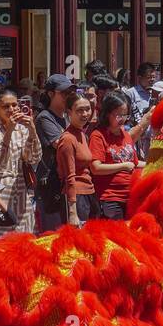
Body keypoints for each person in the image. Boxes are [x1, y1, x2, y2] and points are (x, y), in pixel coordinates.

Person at [0, 89, 42, 234]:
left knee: (24, 240)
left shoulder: (23, 128)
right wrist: (9, 131)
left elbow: (33, 158)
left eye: (14, 105)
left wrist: (32, 131)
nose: (11, 109)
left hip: (21, 191)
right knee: (2, 240)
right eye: (6, 106)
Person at [89, 90, 146, 221]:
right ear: (107, 114)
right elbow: (95, 168)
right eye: (118, 115)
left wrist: (154, 164)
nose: (122, 119)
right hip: (110, 198)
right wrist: (123, 166)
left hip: (130, 197)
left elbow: (135, 163)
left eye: (125, 115)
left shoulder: (125, 134)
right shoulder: (98, 136)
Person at [33, 73, 74, 231]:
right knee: (53, 236)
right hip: (51, 186)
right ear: (50, 94)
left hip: (66, 183)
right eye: (64, 93)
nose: (69, 96)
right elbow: (63, 147)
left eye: (71, 92)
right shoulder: (44, 118)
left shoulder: (68, 116)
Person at [57, 91, 98, 226]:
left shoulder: (82, 134)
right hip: (77, 197)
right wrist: (72, 212)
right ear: (69, 112)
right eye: (80, 110)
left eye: (87, 109)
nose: (85, 114)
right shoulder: (68, 139)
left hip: (89, 193)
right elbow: (69, 176)